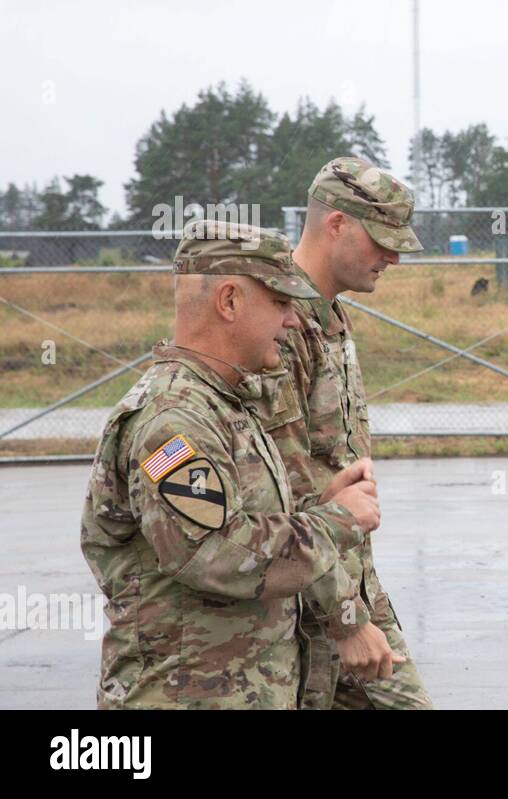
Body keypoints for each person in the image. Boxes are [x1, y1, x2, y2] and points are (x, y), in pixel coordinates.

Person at [80, 220, 381, 709]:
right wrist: (337, 520)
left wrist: (321, 505)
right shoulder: (174, 421)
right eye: (281, 303)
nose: (291, 321)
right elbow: (219, 554)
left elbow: (237, 524)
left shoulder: (226, 404)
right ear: (229, 302)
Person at [265, 156, 433, 709]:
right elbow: (286, 497)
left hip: (348, 580)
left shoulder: (331, 317)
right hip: (309, 601)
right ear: (336, 223)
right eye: (382, 240)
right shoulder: (282, 327)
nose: (393, 256)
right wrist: (345, 617)